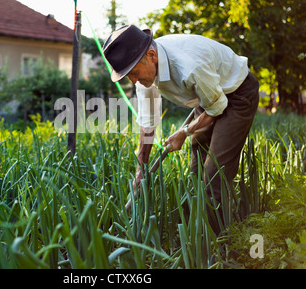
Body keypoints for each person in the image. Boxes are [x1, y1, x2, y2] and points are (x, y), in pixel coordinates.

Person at [102, 25, 259, 233]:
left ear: (151, 56)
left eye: (133, 73)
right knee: (197, 172)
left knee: (214, 176)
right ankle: (196, 228)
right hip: (208, 97)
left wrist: (184, 133)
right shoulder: (143, 74)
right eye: (127, 76)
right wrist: (142, 167)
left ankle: (219, 244)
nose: (133, 80)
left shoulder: (189, 66)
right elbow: (148, 122)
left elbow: (217, 107)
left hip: (237, 93)